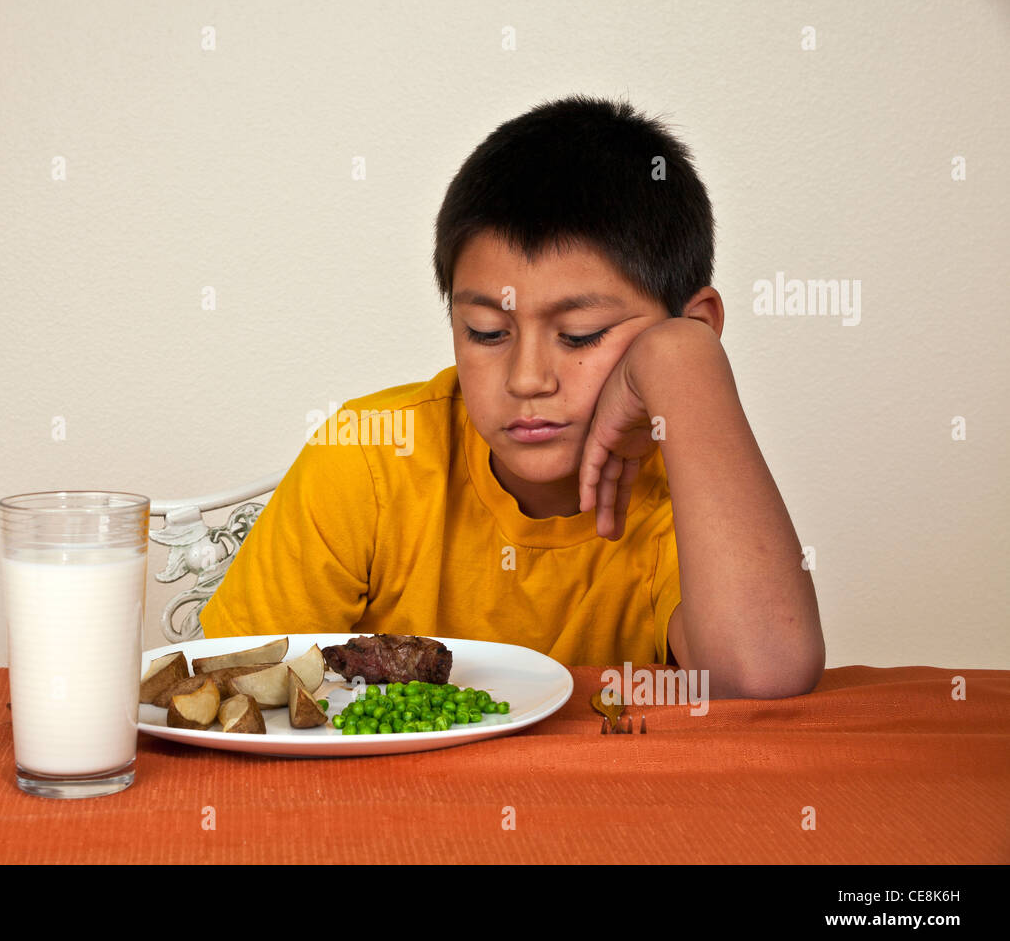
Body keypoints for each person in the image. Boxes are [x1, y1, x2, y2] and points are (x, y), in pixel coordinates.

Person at [200, 95, 825, 698]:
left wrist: (685, 362)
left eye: (580, 335)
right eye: (487, 333)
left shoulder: (681, 499)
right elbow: (237, 687)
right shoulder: (370, 459)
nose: (527, 379)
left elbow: (761, 673)